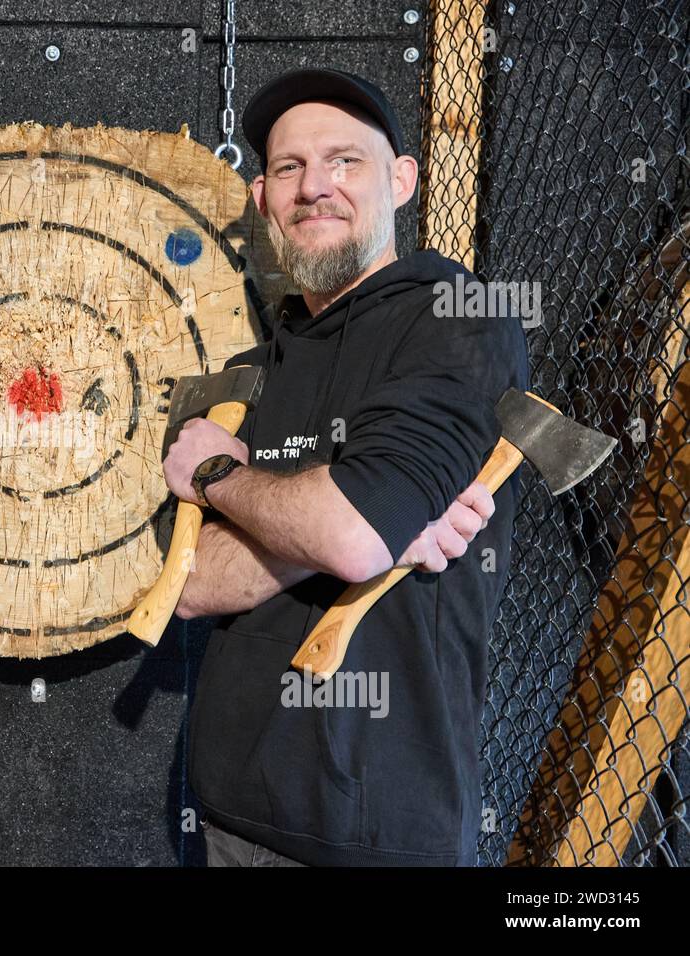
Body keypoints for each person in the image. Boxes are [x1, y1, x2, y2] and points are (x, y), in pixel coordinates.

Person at [167, 68, 529, 866]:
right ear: (263, 197)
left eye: (346, 162)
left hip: (381, 833)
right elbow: (188, 582)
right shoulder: (246, 373)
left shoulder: (459, 321)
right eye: (289, 168)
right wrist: (377, 527)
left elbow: (350, 534)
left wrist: (222, 480)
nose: (314, 187)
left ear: (402, 181)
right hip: (230, 812)